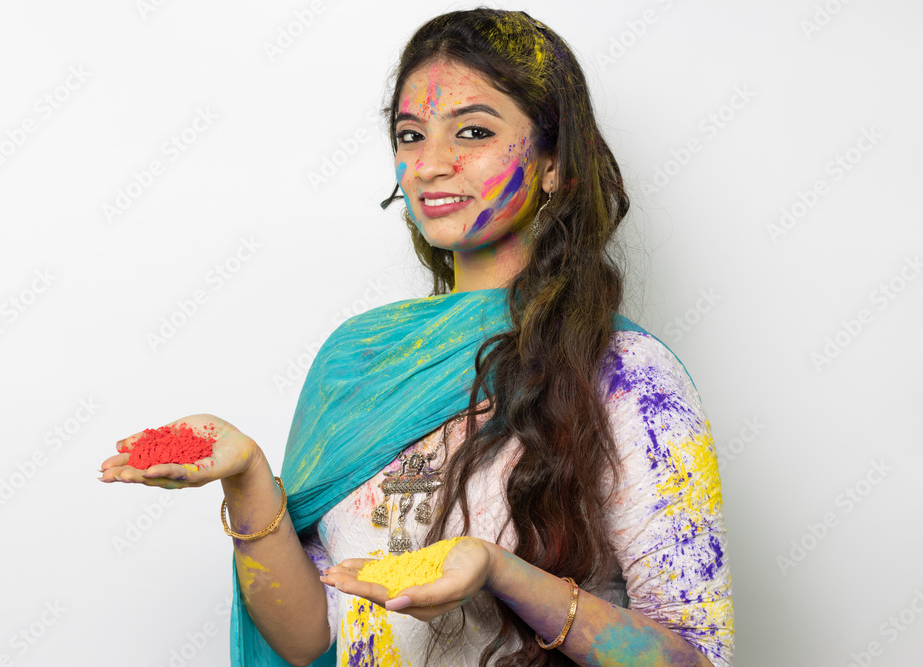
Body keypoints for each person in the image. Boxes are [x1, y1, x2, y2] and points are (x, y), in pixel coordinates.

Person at [99, 8, 734, 667]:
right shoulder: (359, 359)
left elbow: (694, 657)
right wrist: (249, 475)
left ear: (555, 164)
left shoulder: (628, 375)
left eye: (472, 131)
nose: (430, 164)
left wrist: (499, 571)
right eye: (410, 135)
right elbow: (311, 638)